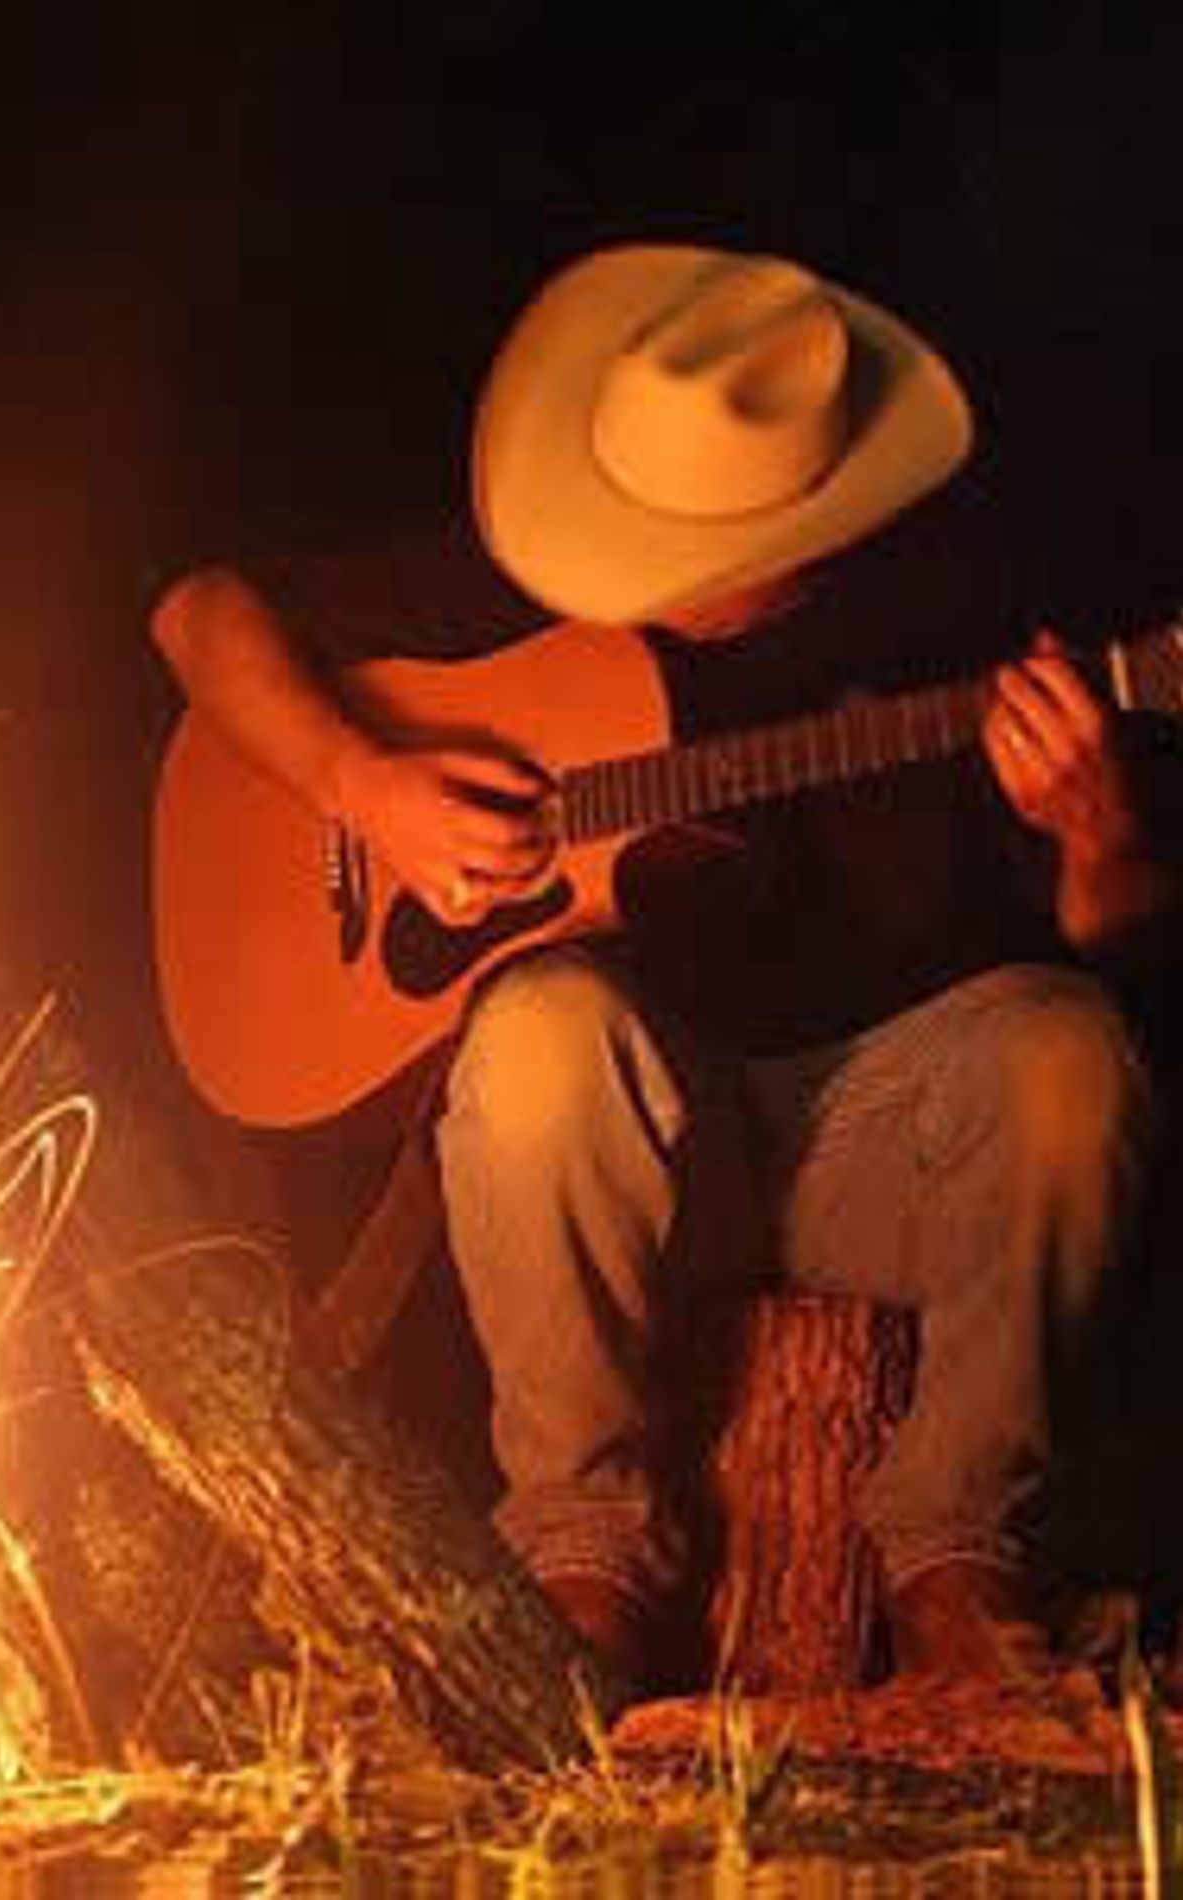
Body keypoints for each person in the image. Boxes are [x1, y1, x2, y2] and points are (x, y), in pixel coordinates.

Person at [149, 244, 1176, 1697]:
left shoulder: (974, 611)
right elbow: (197, 615)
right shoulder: (535, 580)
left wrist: (1100, 829)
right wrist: (368, 788)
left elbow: (1114, 937)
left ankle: (957, 1556)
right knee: (541, 1030)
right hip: (633, 1164)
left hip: (874, 1152)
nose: (629, 571)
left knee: (1068, 1049)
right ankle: (583, 1561)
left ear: (809, 534)